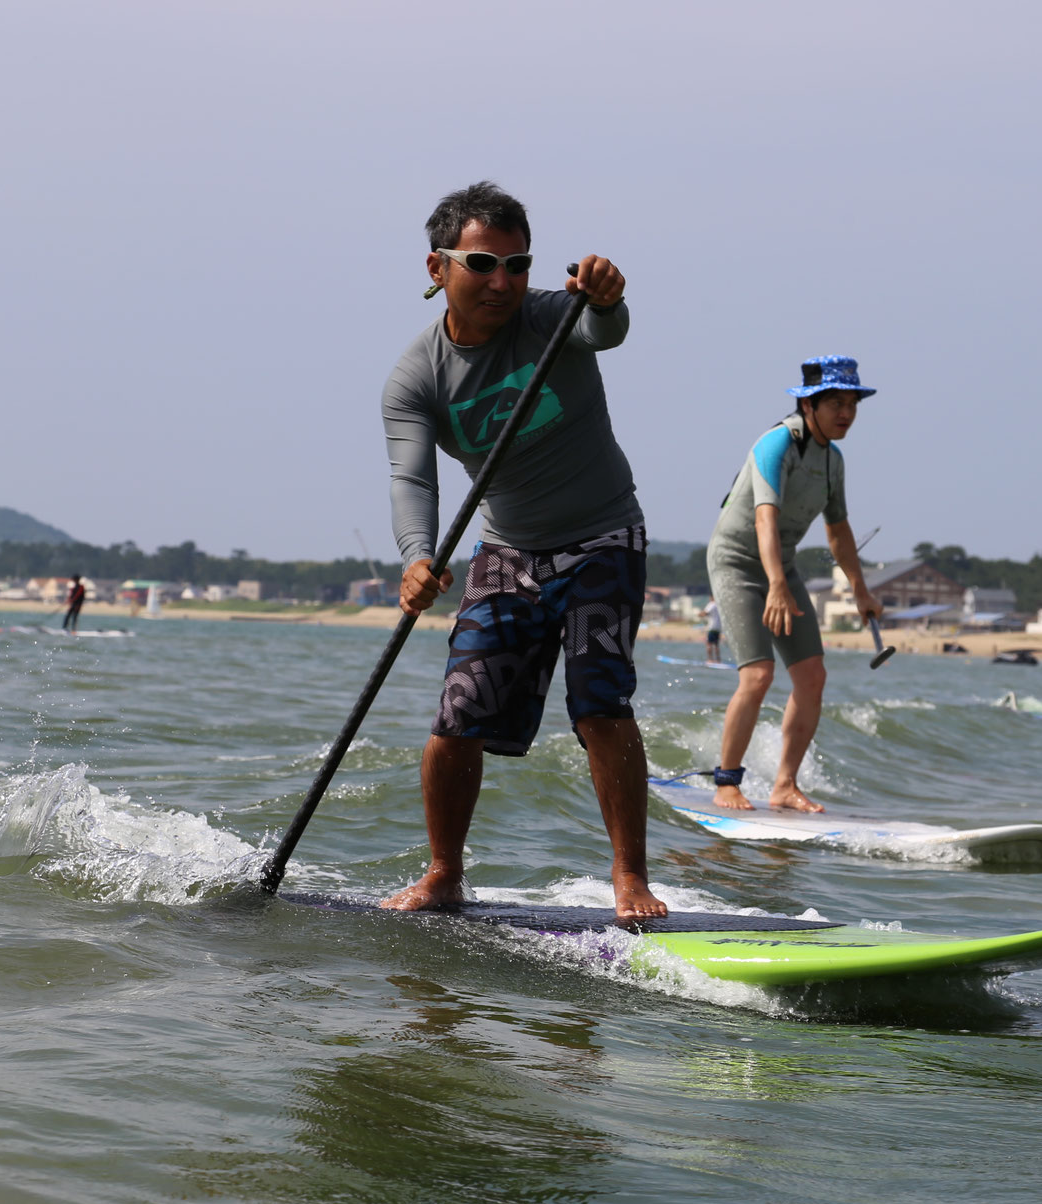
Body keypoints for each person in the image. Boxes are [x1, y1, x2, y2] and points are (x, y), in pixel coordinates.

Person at [378, 181, 663, 922]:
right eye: (482, 264)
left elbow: (607, 331)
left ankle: (629, 877)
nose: (503, 281)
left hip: (604, 534)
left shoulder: (551, 316)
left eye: (517, 264)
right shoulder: (416, 376)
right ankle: (443, 873)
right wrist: (417, 556)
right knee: (456, 717)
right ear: (438, 267)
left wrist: (601, 297)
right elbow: (412, 476)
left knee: (600, 702)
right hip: (508, 551)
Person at [704, 356, 883, 813]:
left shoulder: (832, 461)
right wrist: (776, 585)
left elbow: (838, 532)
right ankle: (726, 782)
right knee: (759, 674)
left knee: (812, 675)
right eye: (835, 403)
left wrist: (860, 589)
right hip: (738, 562)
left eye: (852, 403)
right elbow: (766, 519)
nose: (846, 413)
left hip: (781, 566)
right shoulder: (776, 444)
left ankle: (784, 785)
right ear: (809, 405)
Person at [702, 599, 722, 665]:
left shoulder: (712, 604)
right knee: (716, 645)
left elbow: (705, 612)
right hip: (718, 627)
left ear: (711, 597)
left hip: (712, 627)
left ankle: (710, 660)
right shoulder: (719, 604)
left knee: (709, 644)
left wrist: (699, 614)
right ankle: (718, 660)